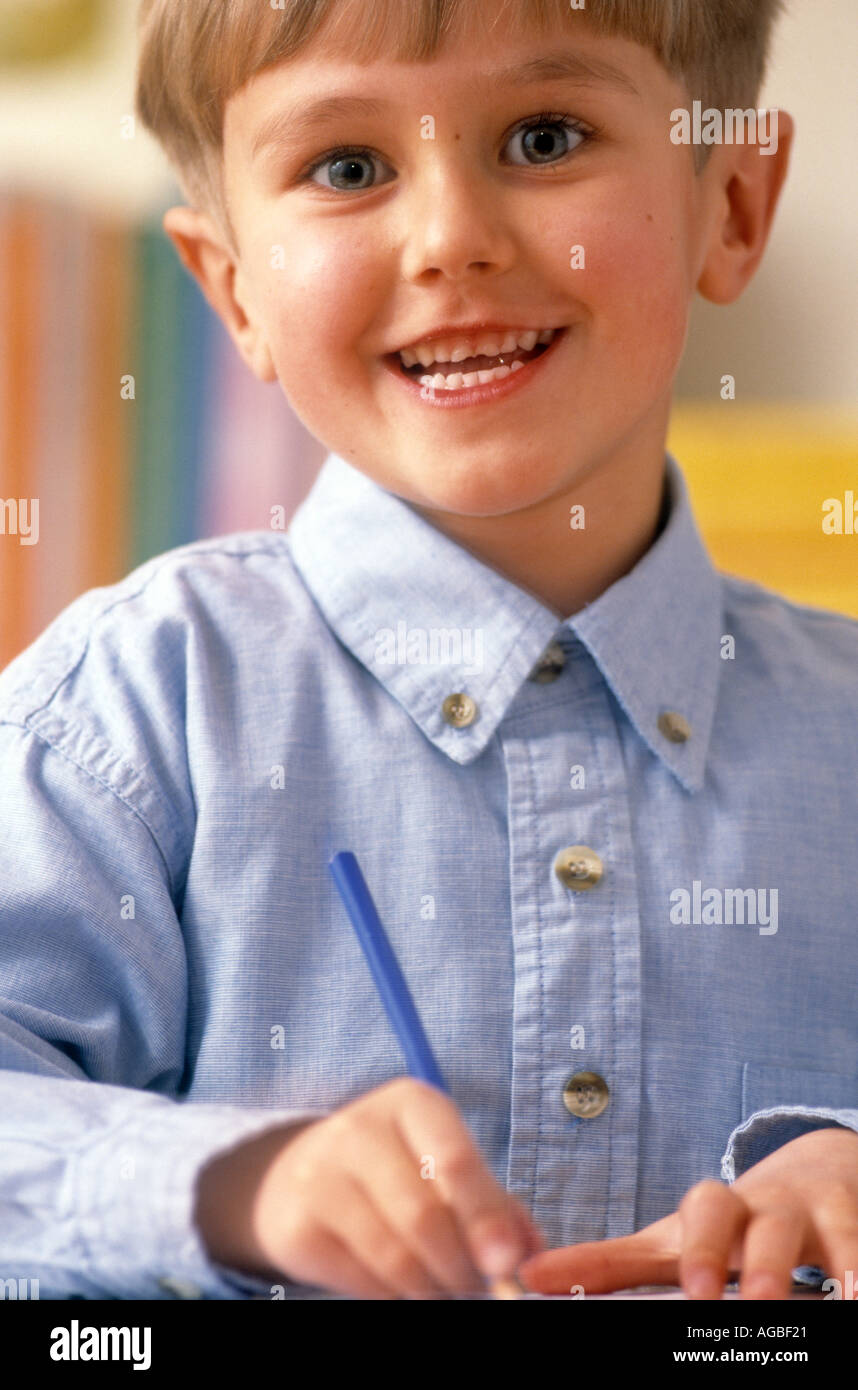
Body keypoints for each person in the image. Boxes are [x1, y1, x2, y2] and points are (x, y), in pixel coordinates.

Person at [0, 0, 855, 1301]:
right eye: (345, 168)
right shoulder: (127, 710)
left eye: (545, 134)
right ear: (231, 285)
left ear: (730, 203)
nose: (452, 237)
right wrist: (239, 1183)